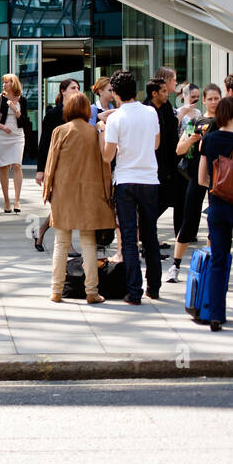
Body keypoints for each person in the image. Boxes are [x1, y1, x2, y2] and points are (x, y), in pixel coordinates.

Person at [42, 91, 115, 304]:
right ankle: (91, 291)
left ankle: (56, 290)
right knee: (89, 243)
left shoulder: (60, 131)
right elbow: (105, 166)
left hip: (64, 194)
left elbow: (50, 164)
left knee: (61, 242)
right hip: (90, 195)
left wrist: (47, 190)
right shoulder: (95, 132)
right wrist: (107, 193)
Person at [100, 69, 161, 305]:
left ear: (115, 93)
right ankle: (154, 287)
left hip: (125, 179)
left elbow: (107, 156)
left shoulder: (115, 118)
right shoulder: (150, 112)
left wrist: (103, 131)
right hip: (149, 179)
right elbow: (155, 144)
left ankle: (134, 291)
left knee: (128, 236)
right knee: (150, 234)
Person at [168, 83, 222, 281]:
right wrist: (191, 140)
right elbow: (179, 150)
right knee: (189, 219)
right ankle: (175, 265)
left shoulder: (226, 121)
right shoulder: (196, 121)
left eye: (217, 98)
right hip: (196, 176)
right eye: (210, 99)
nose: (214, 102)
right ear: (205, 101)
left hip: (220, 177)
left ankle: (211, 263)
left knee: (214, 221)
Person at [195, 95, 233, 330]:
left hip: (217, 205)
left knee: (219, 260)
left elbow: (201, 179)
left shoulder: (209, 140)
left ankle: (216, 315)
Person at [32, 78, 80, 249]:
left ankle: (40, 232)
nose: (76, 90)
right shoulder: (53, 114)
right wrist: (40, 170)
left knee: (63, 206)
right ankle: (68, 246)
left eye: (78, 88)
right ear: (63, 91)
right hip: (57, 167)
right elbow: (45, 143)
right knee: (63, 206)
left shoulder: (80, 113)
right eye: (73, 88)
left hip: (75, 167)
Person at [148, 71, 181, 239]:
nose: (175, 84)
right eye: (174, 81)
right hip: (156, 164)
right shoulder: (149, 110)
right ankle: (146, 236)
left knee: (166, 198)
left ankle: (148, 236)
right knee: (159, 200)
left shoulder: (165, 107)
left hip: (167, 163)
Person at [0, 73, 28, 213]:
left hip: (18, 135)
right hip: (2, 135)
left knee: (17, 165)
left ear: (14, 83)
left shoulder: (22, 100)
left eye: (7, 82)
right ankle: (6, 201)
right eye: (3, 82)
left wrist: (15, 109)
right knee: (4, 168)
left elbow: (25, 122)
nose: (4, 84)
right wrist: (3, 127)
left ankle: (17, 200)